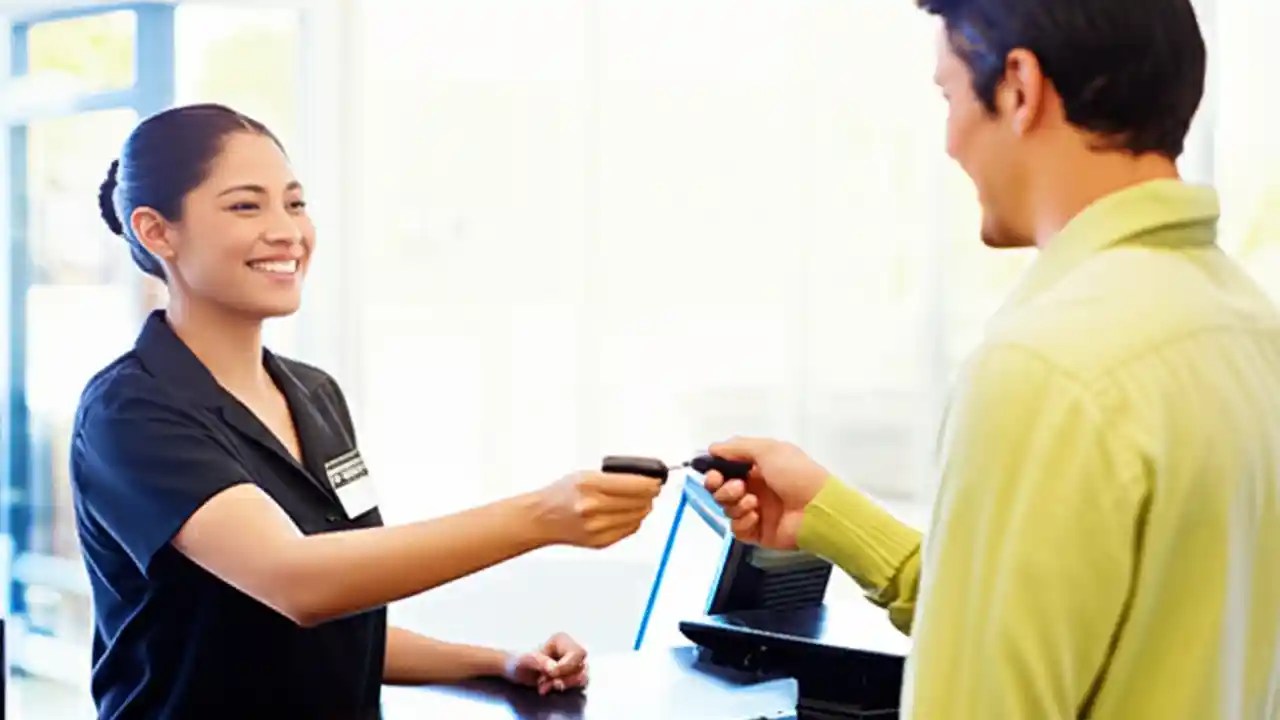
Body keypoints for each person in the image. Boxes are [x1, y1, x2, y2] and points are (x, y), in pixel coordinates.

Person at [702, 1, 1280, 718]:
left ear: (1019, 87)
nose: (949, 143)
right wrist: (831, 516)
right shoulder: (1250, 332)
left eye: (948, 96)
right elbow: (1097, 629)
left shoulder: (1046, 367)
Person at [72, 103, 662, 720]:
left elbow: (339, 618)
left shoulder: (314, 394)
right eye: (246, 206)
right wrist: (543, 516)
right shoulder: (129, 413)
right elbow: (299, 584)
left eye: (295, 204)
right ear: (157, 231)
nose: (287, 231)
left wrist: (498, 661)